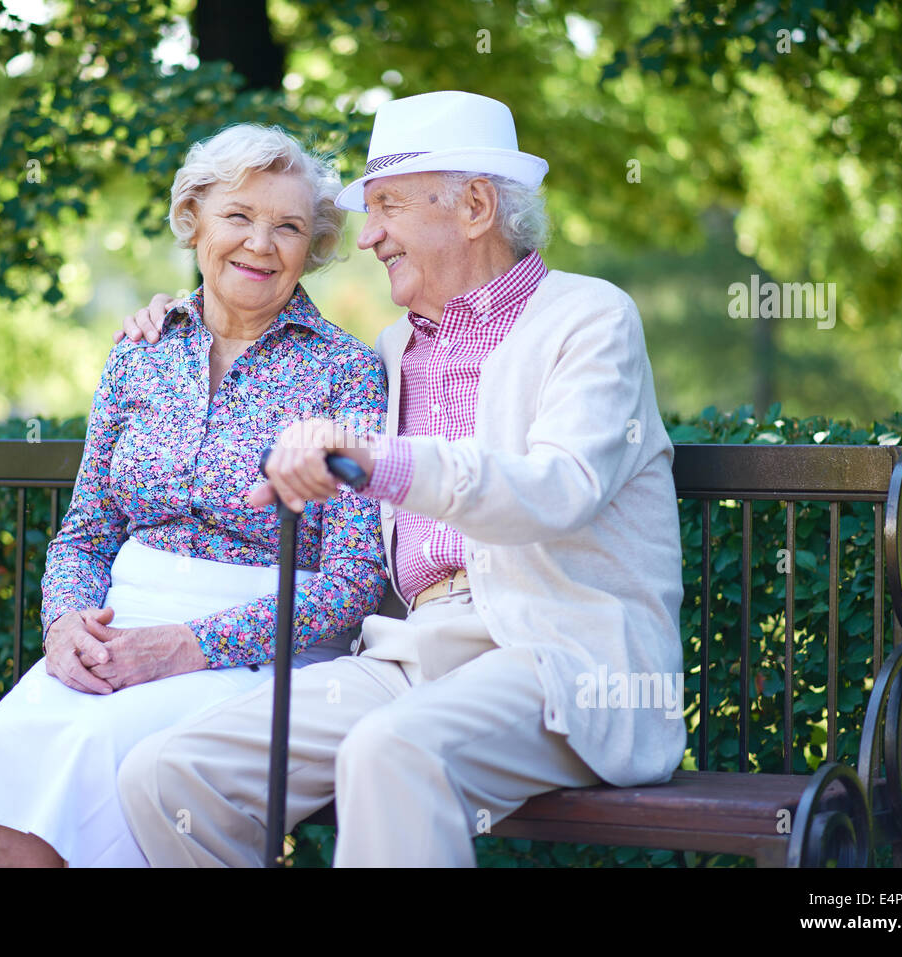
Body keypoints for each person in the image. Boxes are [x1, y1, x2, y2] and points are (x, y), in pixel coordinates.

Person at [113, 90, 687, 867]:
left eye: (387, 206)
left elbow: (560, 486)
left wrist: (372, 459)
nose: (369, 234)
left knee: (391, 751)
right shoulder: (388, 350)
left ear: (476, 205)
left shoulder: (590, 319)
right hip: (413, 655)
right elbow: (249, 322)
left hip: (558, 658)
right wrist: (176, 316)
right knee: (169, 772)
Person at [0, 123, 389, 867]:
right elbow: (86, 533)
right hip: (118, 631)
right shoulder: (139, 351)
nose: (260, 243)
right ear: (194, 220)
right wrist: (64, 627)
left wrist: (187, 645)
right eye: (238, 216)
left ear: (311, 247)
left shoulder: (347, 371)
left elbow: (351, 584)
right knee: (10, 742)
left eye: (288, 227)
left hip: (258, 651)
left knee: (102, 749)